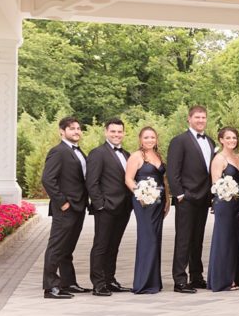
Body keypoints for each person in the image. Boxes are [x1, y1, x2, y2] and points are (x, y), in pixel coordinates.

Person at [166, 105, 215, 293]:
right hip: (186, 198)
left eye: (203, 117)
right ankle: (180, 279)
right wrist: (179, 194)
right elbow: (173, 170)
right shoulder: (179, 141)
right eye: (197, 117)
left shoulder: (210, 142)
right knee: (184, 239)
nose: (201, 120)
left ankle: (196, 276)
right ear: (189, 119)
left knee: (198, 239)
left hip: (203, 197)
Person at [41, 116, 91, 299]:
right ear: (62, 131)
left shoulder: (78, 151)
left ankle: (68, 283)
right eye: (72, 128)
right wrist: (62, 202)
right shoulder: (58, 151)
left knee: (67, 248)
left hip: (78, 206)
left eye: (78, 128)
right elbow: (47, 179)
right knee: (56, 247)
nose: (77, 131)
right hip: (65, 208)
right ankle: (50, 287)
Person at [87, 118, 132, 296]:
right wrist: (100, 205)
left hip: (123, 208)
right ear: (106, 132)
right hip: (105, 208)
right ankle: (98, 284)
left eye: (119, 131)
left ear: (123, 133)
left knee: (114, 245)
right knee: (101, 245)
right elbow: (92, 182)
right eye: (113, 131)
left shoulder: (127, 154)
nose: (116, 135)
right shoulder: (97, 153)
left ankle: (109, 279)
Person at [126, 126, 169, 294]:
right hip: (143, 202)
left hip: (159, 201)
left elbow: (163, 180)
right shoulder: (136, 156)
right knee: (147, 238)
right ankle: (143, 282)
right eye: (146, 137)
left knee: (156, 239)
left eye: (152, 137)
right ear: (140, 139)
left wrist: (167, 199)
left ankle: (153, 282)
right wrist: (141, 194)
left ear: (156, 139)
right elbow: (128, 179)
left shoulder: (158, 155)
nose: (150, 140)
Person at [206, 127, 239, 292]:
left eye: (234, 138)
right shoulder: (218, 159)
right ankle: (221, 280)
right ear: (221, 140)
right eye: (228, 138)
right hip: (224, 203)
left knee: (235, 240)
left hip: (238, 203)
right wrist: (224, 196)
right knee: (224, 239)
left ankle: (233, 277)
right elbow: (215, 184)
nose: (232, 140)